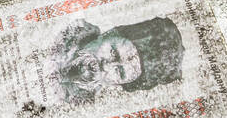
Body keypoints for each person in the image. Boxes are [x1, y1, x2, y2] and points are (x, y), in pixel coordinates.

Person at [49, 17, 185, 105]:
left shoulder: (76, 105)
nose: (106, 66)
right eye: (113, 52)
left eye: (120, 72)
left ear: (118, 84)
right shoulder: (66, 27)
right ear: (109, 33)